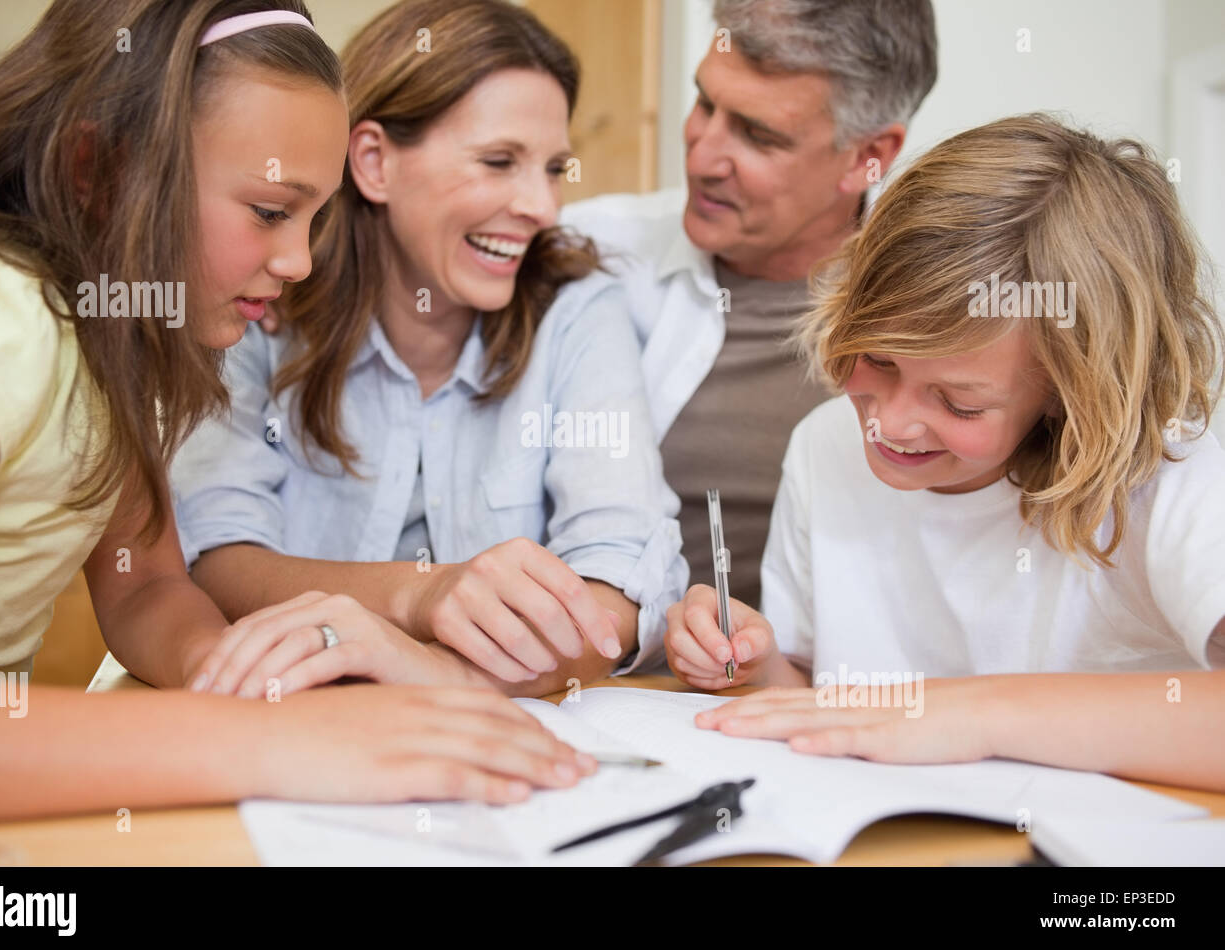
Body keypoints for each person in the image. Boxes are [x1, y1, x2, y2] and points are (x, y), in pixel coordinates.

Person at [0, 0, 590, 823]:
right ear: (98, 172)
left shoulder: (119, 337)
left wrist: (247, 681)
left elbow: (146, 588)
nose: (299, 260)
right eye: (272, 211)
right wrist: (269, 744)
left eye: (315, 217)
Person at [664, 115, 1225, 792]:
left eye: (959, 404)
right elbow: (815, 692)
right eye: (874, 359)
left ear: (1066, 396)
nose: (892, 425)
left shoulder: (1163, 472)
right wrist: (753, 668)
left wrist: (978, 710)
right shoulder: (824, 444)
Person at [170, 0, 687, 700]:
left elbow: (622, 581)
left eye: (554, 168)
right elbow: (214, 557)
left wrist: (445, 675)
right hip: (295, 722)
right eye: (500, 161)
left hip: (505, 730)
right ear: (375, 163)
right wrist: (421, 593)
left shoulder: (578, 311)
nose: (541, 205)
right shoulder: (258, 306)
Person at [563, 0, 938, 610]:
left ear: (870, 156)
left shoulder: (947, 318)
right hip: (606, 680)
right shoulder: (586, 253)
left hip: (814, 690)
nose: (703, 157)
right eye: (705, 104)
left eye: (759, 135)